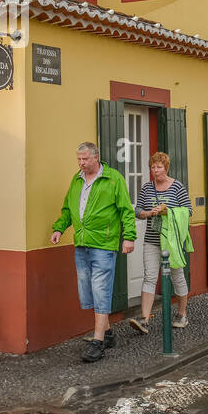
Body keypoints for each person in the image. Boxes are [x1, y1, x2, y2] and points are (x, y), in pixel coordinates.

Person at [50, 142, 136, 363]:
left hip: (104, 244)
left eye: (85, 159)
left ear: (96, 157)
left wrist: (129, 236)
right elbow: (68, 208)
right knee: (87, 289)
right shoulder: (77, 179)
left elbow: (126, 210)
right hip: (82, 242)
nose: (81, 163)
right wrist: (59, 228)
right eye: (78, 159)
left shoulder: (113, 178)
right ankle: (107, 334)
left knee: (100, 289)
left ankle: (98, 342)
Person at [130, 152, 191, 334]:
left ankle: (182, 314)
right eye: (152, 167)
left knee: (177, 276)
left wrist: (168, 211)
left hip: (171, 241)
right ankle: (144, 320)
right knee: (149, 277)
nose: (154, 170)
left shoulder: (177, 186)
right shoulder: (147, 188)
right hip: (151, 240)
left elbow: (188, 210)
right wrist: (148, 214)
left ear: (166, 168)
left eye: (158, 167)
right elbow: (137, 209)